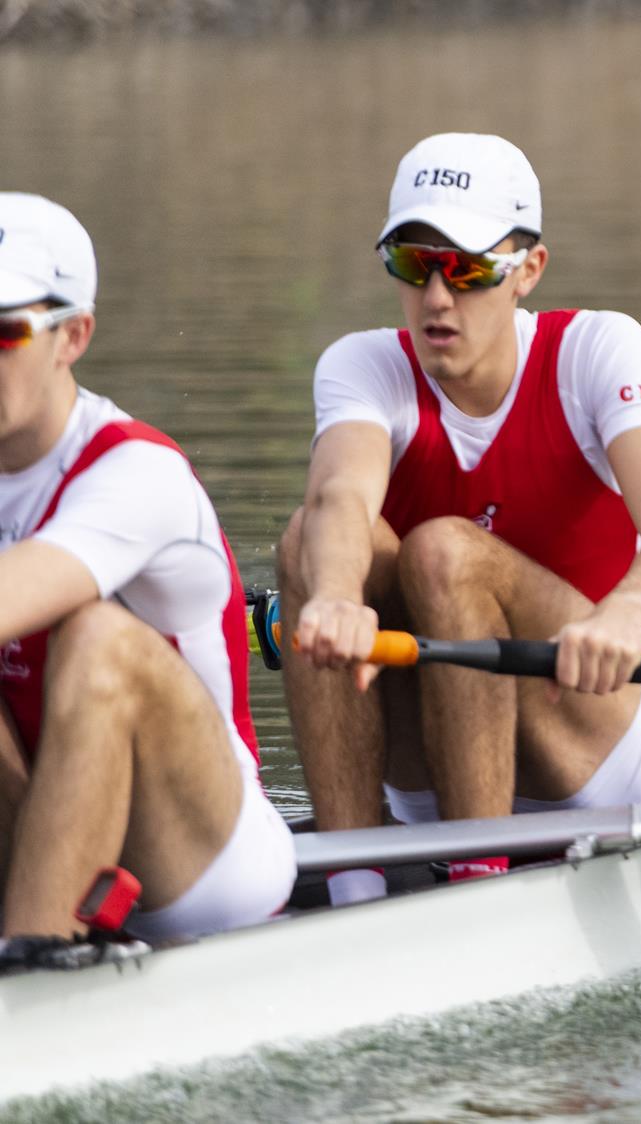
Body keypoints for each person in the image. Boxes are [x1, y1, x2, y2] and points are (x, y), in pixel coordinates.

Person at [279, 133, 641, 904]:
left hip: (615, 743)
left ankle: (480, 891)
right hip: (441, 760)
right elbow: (342, 495)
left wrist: (626, 611)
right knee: (307, 546)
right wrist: (340, 594)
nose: (438, 298)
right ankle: (355, 887)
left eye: (469, 268)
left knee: (446, 552)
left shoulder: (598, 350)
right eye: (415, 264)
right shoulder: (361, 364)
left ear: (528, 271)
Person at [0, 194, 292, 965]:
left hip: (203, 864)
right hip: (41, 812)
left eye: (6, 332)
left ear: (73, 335)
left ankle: (29, 991)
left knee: (97, 638)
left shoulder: (136, 473)